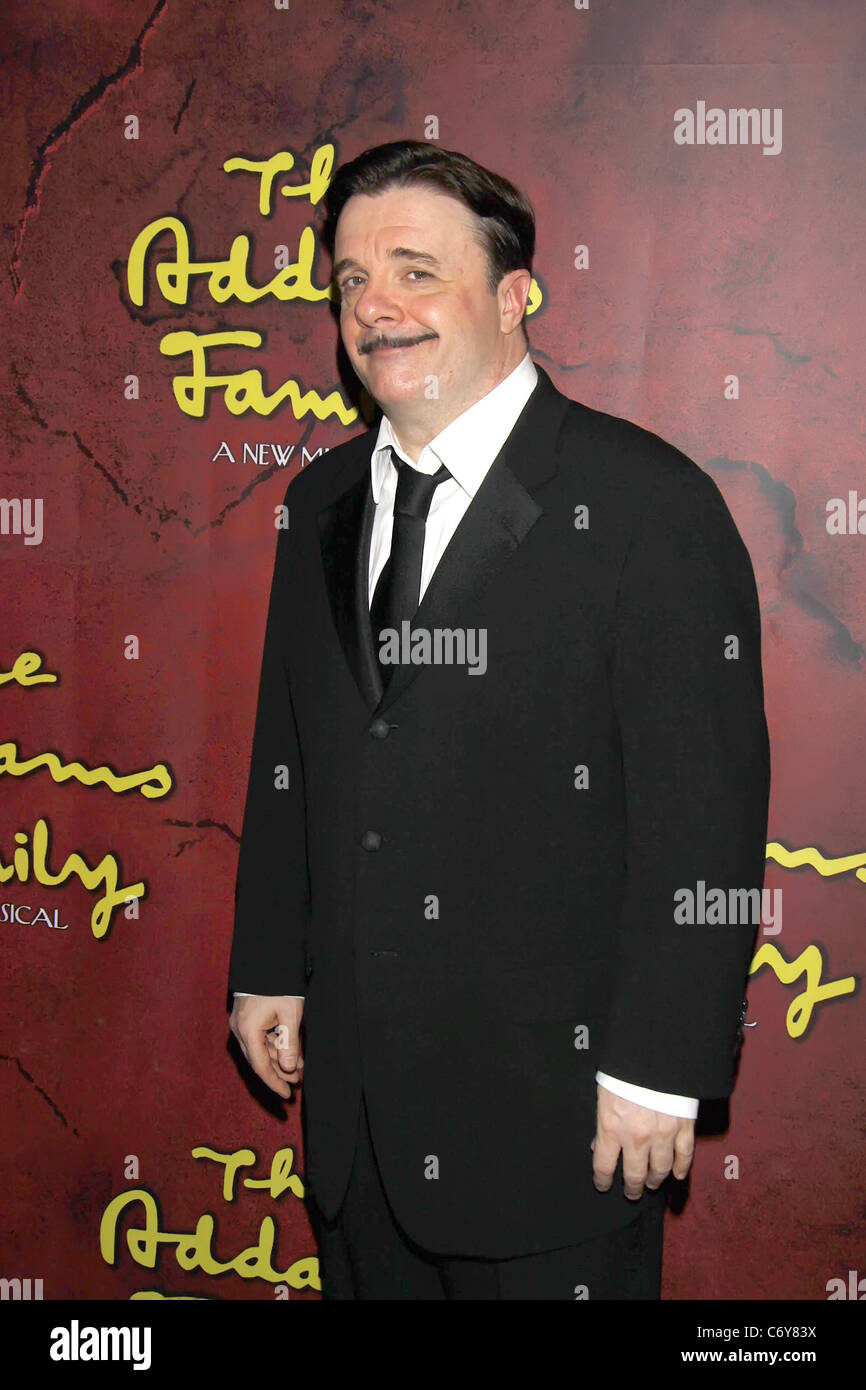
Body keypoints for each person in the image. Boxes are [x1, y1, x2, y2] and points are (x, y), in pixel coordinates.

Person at [228, 139, 771, 1300]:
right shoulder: (315, 500)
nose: (373, 305)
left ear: (515, 294)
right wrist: (270, 962)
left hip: (558, 1129)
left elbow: (705, 812)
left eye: (416, 270)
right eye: (347, 280)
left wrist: (660, 1068)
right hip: (361, 1123)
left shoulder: (646, 504)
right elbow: (295, 755)